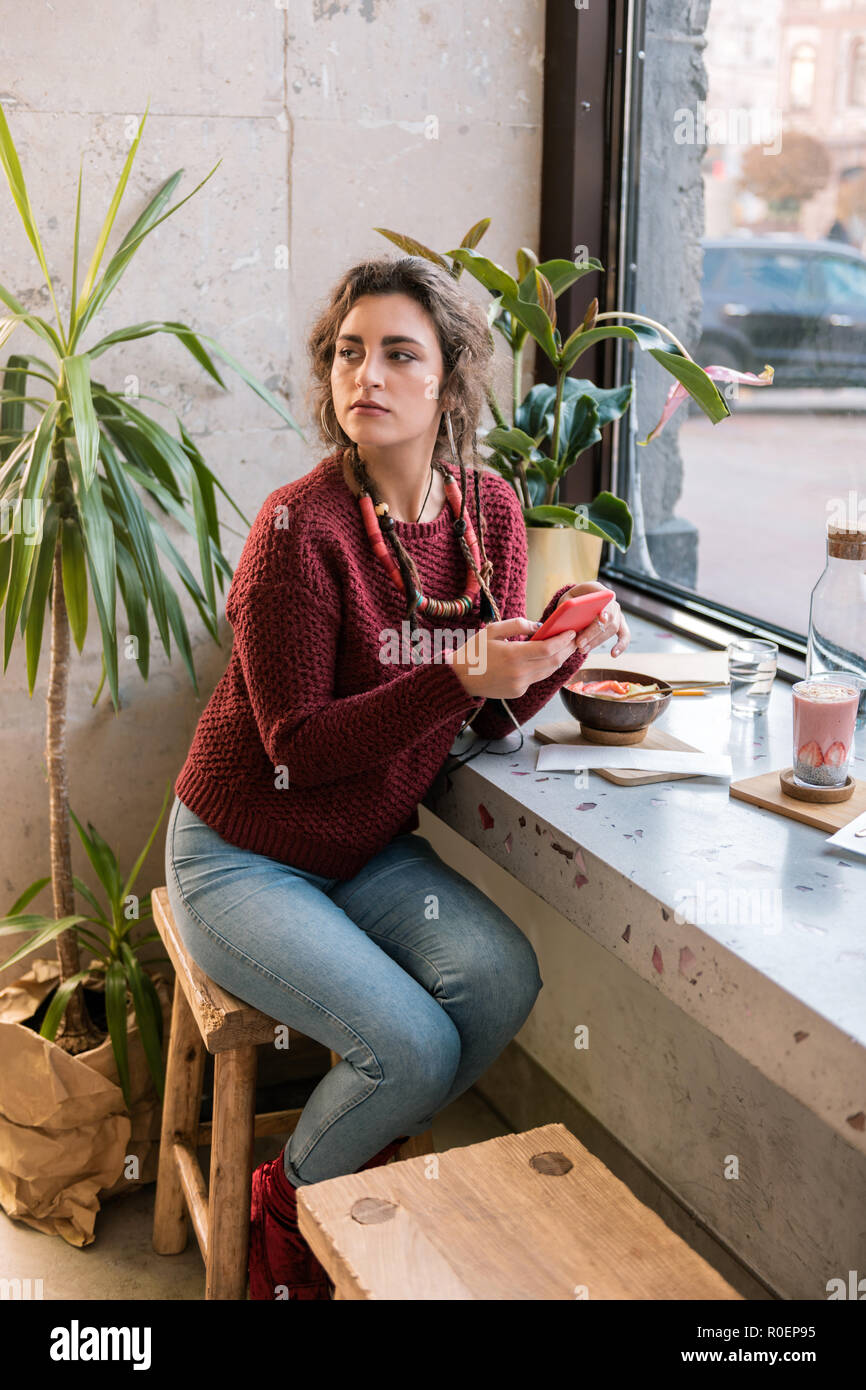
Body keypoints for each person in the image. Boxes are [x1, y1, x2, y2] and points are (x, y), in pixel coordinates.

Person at [164, 254, 630, 1299]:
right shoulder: (296, 529)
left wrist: (551, 661)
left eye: (397, 353)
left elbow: (485, 712)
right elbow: (296, 745)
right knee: (413, 1049)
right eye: (346, 352)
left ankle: (331, 1180)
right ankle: (289, 1220)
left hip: (366, 850)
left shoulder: (492, 514)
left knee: (500, 979)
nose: (363, 373)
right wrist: (455, 673)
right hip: (244, 856)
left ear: (447, 382)